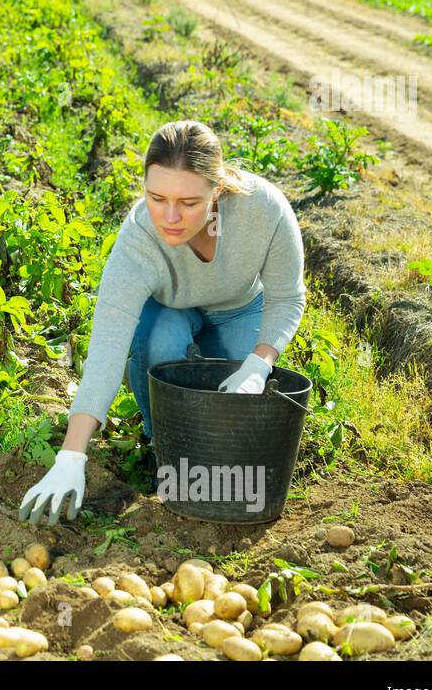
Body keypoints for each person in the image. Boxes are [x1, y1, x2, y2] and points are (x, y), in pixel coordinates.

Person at [19, 120, 307, 525]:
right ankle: (164, 448)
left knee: (235, 407)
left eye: (189, 203)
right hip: (170, 310)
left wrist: (259, 365)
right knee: (161, 339)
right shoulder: (139, 240)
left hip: (240, 309)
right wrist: (71, 455)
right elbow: (106, 347)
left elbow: (286, 296)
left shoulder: (263, 211)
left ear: (217, 190)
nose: (170, 217)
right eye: (156, 198)